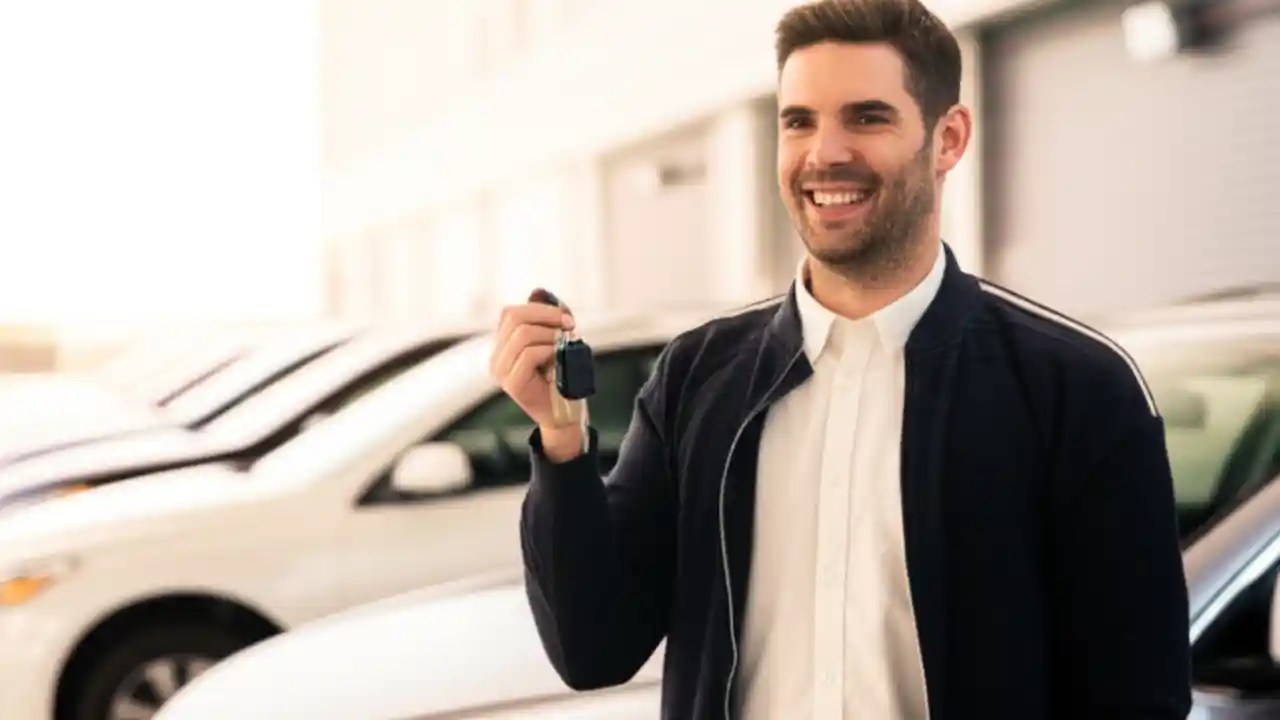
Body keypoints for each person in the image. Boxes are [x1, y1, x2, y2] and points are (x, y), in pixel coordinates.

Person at [489, 0, 1192, 717]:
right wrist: (563, 441)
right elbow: (592, 647)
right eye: (799, 121)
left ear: (948, 139)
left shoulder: (1077, 388)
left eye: (867, 117)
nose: (824, 153)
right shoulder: (697, 378)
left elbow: (1136, 696)